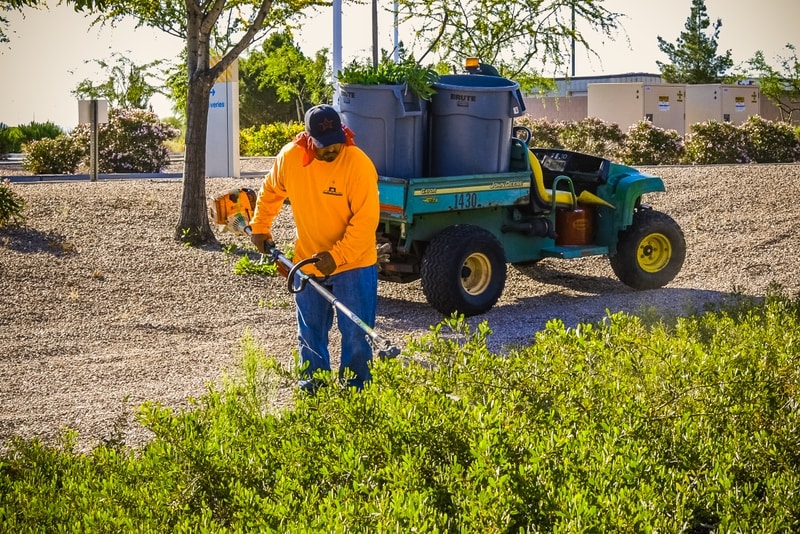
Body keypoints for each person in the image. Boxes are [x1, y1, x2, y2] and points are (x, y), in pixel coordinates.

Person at [248, 104, 380, 391]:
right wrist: (260, 227)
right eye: (323, 145)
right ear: (308, 139)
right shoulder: (290, 158)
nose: (332, 150)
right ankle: (313, 391)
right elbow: (271, 191)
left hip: (354, 264)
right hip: (308, 261)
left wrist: (337, 256)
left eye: (336, 142)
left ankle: (357, 395)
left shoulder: (358, 164)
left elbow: (366, 220)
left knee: (356, 335)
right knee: (310, 333)